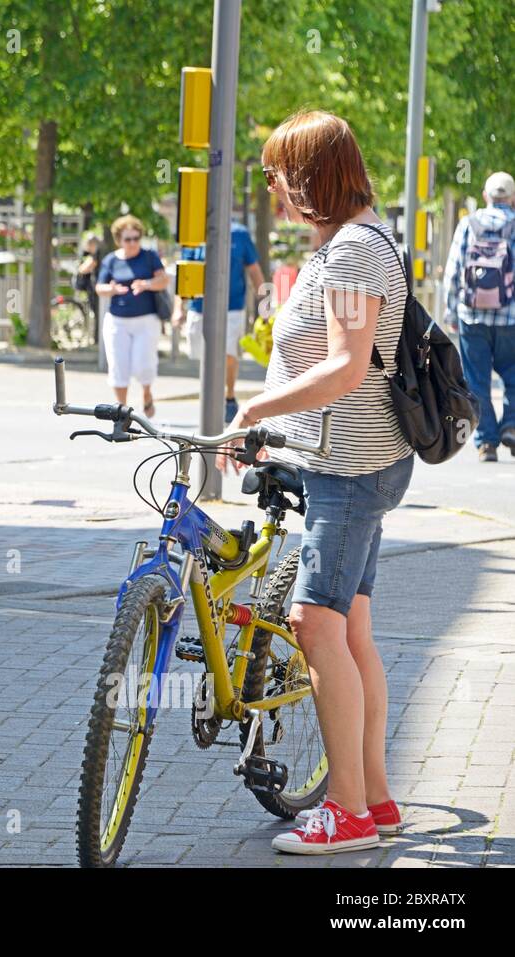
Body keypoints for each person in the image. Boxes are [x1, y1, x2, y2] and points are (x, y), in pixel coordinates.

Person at [219, 110, 414, 854]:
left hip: (350, 471)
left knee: (315, 627)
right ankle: (376, 796)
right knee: (351, 629)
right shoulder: (345, 246)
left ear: (307, 176)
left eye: (276, 175)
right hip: (353, 462)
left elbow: (347, 365)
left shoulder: (355, 252)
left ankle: (348, 813)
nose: (270, 189)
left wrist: (255, 408)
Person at [442, 171, 515, 462]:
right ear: (512, 198)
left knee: (476, 380)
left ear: (486, 196)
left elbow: (453, 271)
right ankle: (510, 424)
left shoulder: (468, 224)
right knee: (512, 375)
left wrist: (450, 311)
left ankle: (487, 442)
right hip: (510, 318)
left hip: (471, 316)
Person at [173, 219, 265, 422]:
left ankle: (229, 397)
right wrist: (178, 309)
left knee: (229, 352)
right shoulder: (193, 233)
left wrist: (265, 305)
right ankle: (212, 393)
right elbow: (185, 275)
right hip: (198, 306)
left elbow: (254, 270)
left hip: (231, 306)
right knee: (203, 353)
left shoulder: (239, 233)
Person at [94, 215, 168, 416]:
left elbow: (164, 280)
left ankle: (146, 393)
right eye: (128, 239)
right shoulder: (111, 260)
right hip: (117, 321)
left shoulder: (149, 256)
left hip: (146, 320)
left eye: (136, 238)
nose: (133, 243)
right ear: (119, 240)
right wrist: (111, 289)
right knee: (118, 365)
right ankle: (122, 410)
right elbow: (99, 288)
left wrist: (147, 284)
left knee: (144, 363)